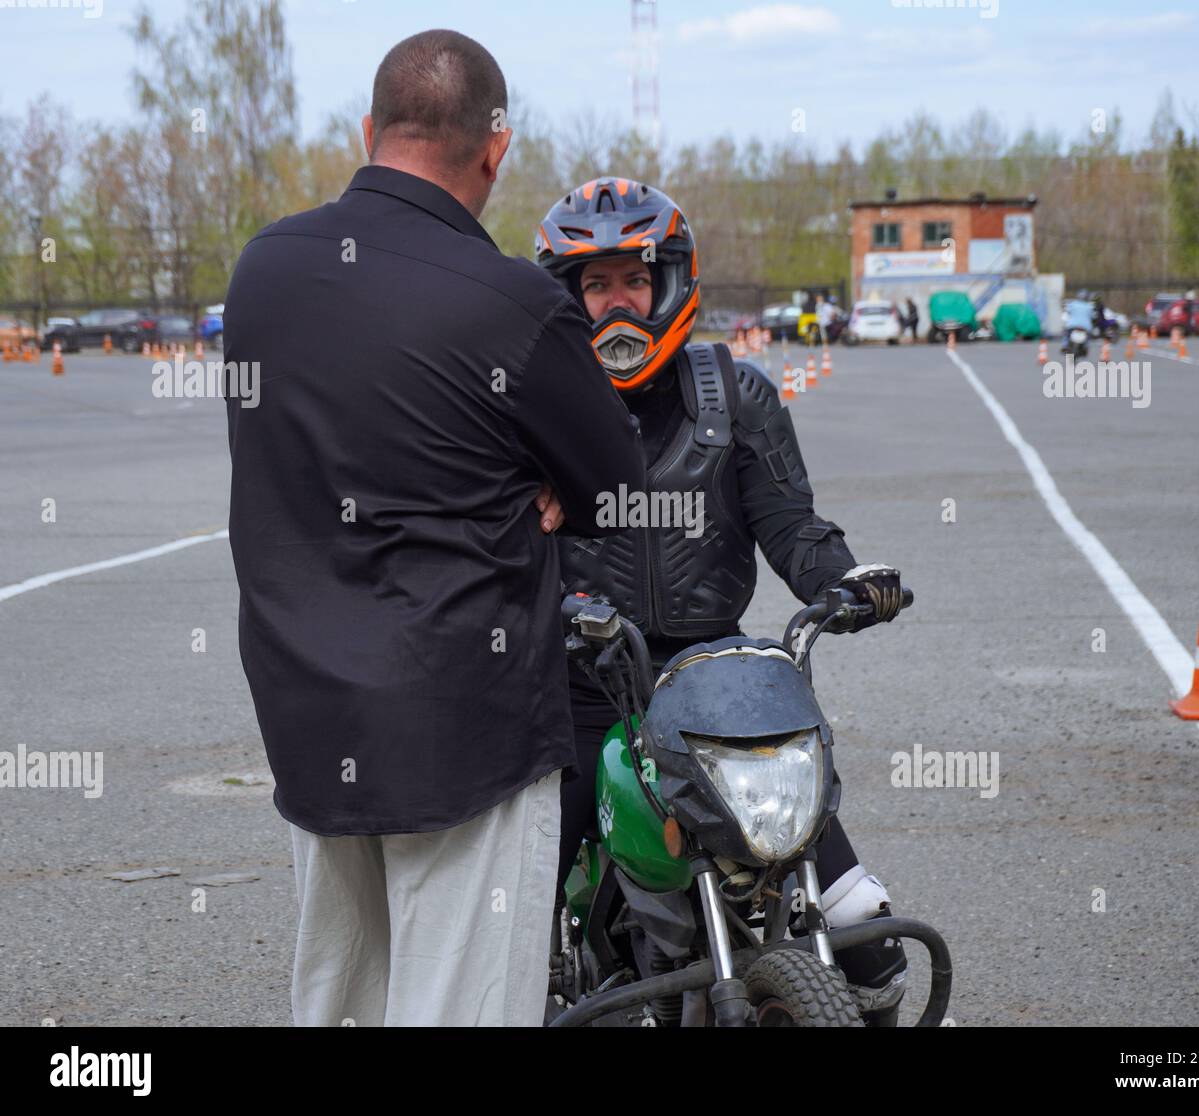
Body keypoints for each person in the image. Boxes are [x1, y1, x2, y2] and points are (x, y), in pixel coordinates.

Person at [224, 31, 643, 1027]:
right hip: (464, 729)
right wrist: (544, 481)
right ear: (495, 151)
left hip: (307, 713)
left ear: (368, 132)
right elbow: (615, 483)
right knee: (457, 1006)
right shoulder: (515, 303)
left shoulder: (262, 272)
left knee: (339, 1002)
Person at [535, 177, 909, 1024]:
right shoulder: (535, 408)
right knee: (515, 926)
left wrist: (845, 582)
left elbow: (794, 527)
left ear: (671, 282)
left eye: (635, 278)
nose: (618, 304)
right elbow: (504, 544)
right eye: (595, 286)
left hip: (717, 684)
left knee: (863, 931)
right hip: (582, 693)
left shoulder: (736, 398)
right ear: (568, 298)